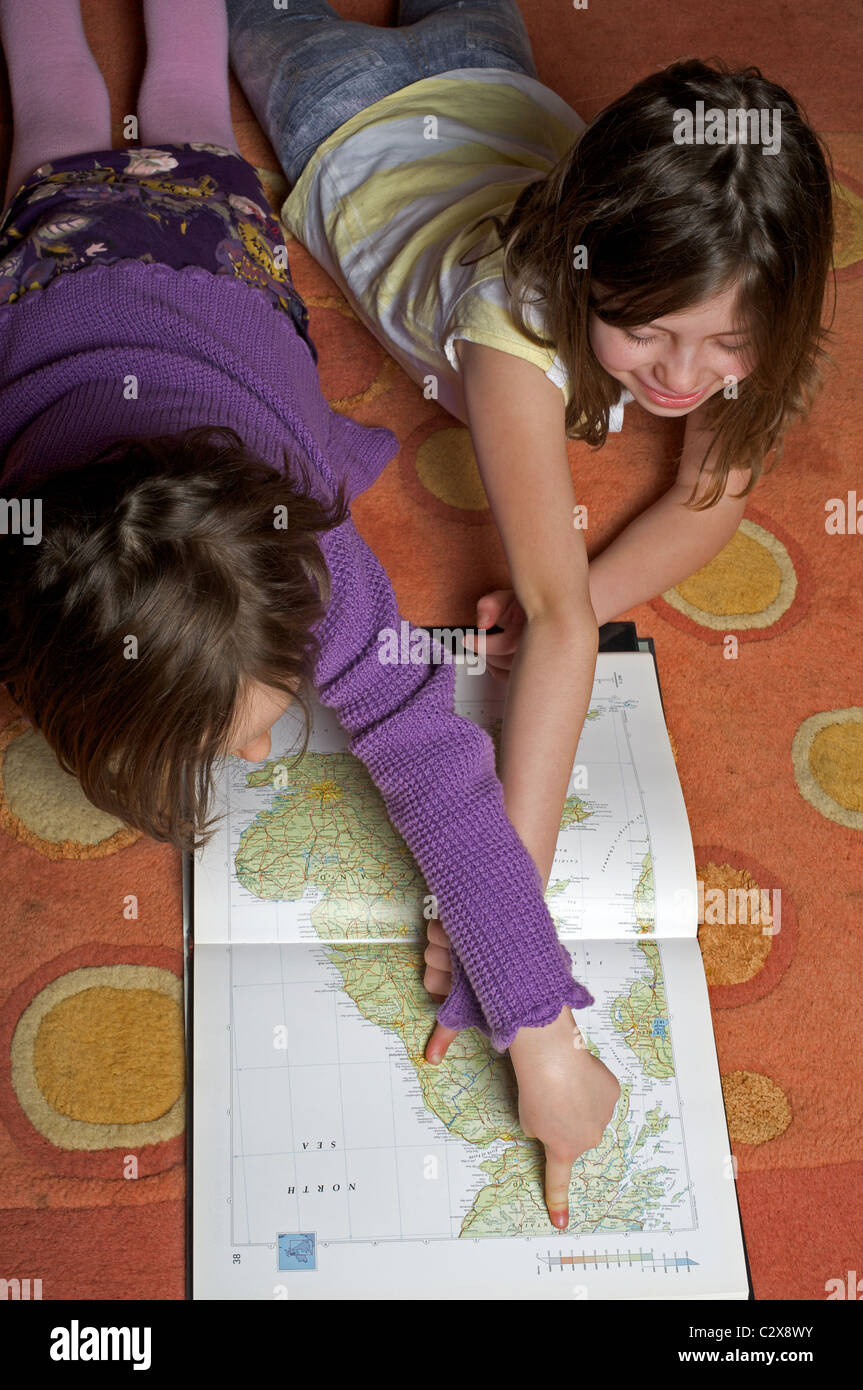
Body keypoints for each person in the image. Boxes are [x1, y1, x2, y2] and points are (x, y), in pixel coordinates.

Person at [0, 0, 621, 1232]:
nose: (252, 756)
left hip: (209, 243)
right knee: (65, 106)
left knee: (158, 96)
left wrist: (540, 1029)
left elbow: (434, 758)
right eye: (229, 735)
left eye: (251, 720)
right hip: (59, 260)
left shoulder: (308, 559)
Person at [224, 0, 835, 1048]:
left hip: (493, 76)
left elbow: (704, 504)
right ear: (586, 263)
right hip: (344, 111)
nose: (683, 377)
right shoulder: (509, 327)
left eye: (725, 344)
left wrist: (586, 590)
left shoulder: (754, 294)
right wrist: (501, 915)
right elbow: (556, 624)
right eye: (645, 332)